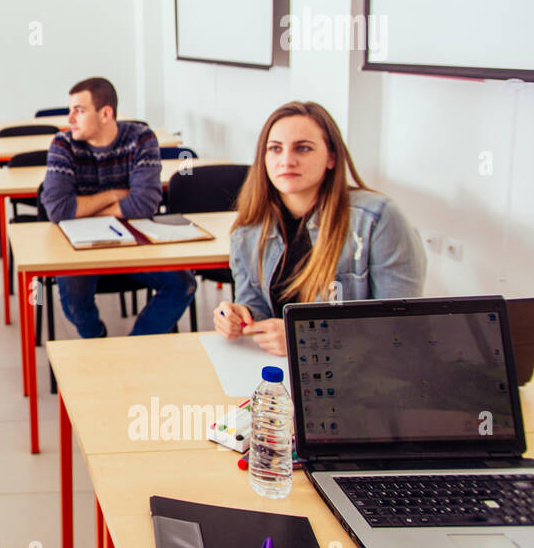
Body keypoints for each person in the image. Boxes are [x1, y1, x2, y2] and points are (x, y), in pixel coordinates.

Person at [215, 101, 426, 357]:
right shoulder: (248, 229)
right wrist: (239, 317)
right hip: (279, 370)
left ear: (331, 158)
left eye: (303, 148)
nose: (286, 161)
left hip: (358, 373)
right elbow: (257, 306)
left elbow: (399, 326)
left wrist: (305, 337)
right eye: (275, 149)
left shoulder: (377, 219)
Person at [41, 77, 197, 337]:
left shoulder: (141, 139)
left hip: (136, 241)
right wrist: (114, 194)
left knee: (183, 283)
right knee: (74, 300)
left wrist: (83, 210)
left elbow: (144, 204)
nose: (70, 119)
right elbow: (58, 210)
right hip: (80, 246)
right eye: (70, 111)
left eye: (79, 111)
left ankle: (134, 348)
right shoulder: (63, 145)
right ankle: (99, 344)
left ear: (105, 114)